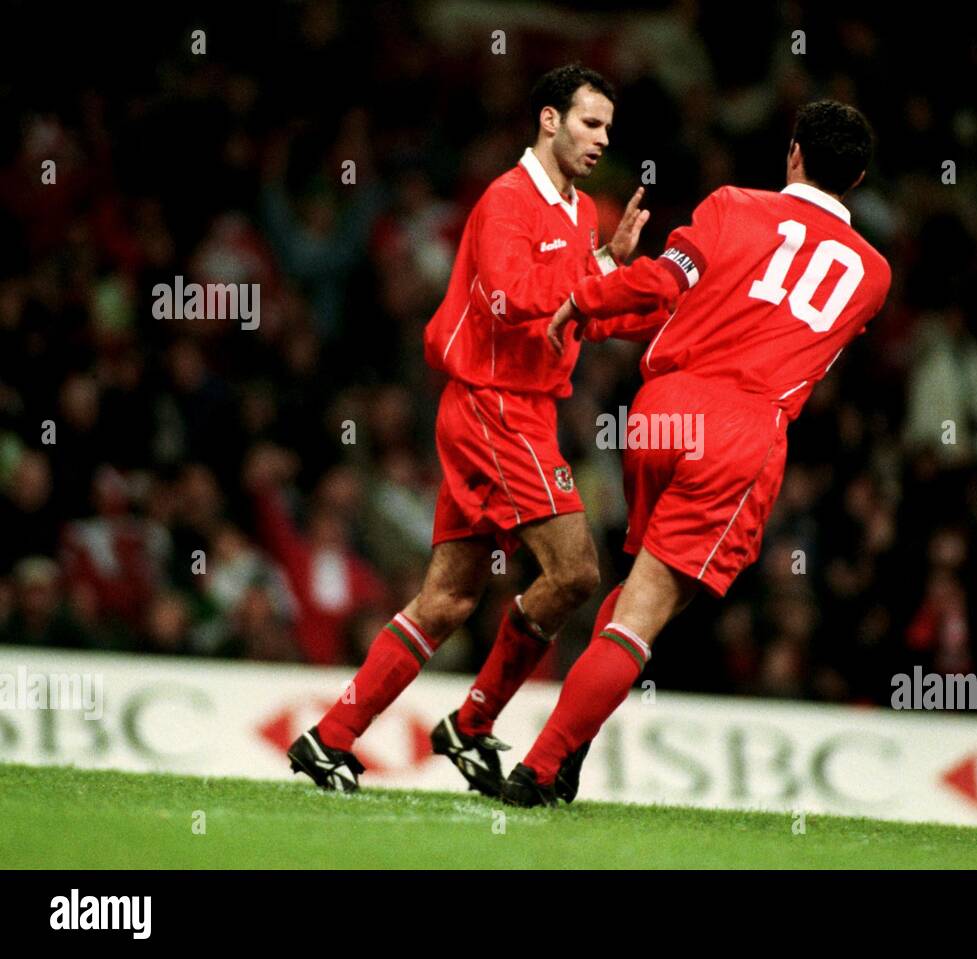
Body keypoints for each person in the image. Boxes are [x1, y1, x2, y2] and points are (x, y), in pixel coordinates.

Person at [500, 100, 891, 805]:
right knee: (646, 613)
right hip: (741, 431)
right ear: (858, 177)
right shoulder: (873, 276)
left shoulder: (732, 205)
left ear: (793, 152)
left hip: (662, 411)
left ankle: (568, 747)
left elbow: (664, 288)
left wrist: (585, 300)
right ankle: (540, 766)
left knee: (637, 592)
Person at [288, 63, 650, 794]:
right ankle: (475, 722)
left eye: (608, 127)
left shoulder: (581, 213)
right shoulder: (506, 201)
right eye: (589, 122)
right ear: (549, 120)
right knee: (576, 571)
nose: (601, 139)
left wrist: (659, 296)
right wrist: (603, 269)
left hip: (525, 408)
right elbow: (515, 296)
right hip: (494, 405)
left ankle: (327, 739)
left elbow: (577, 312)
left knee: (449, 597)